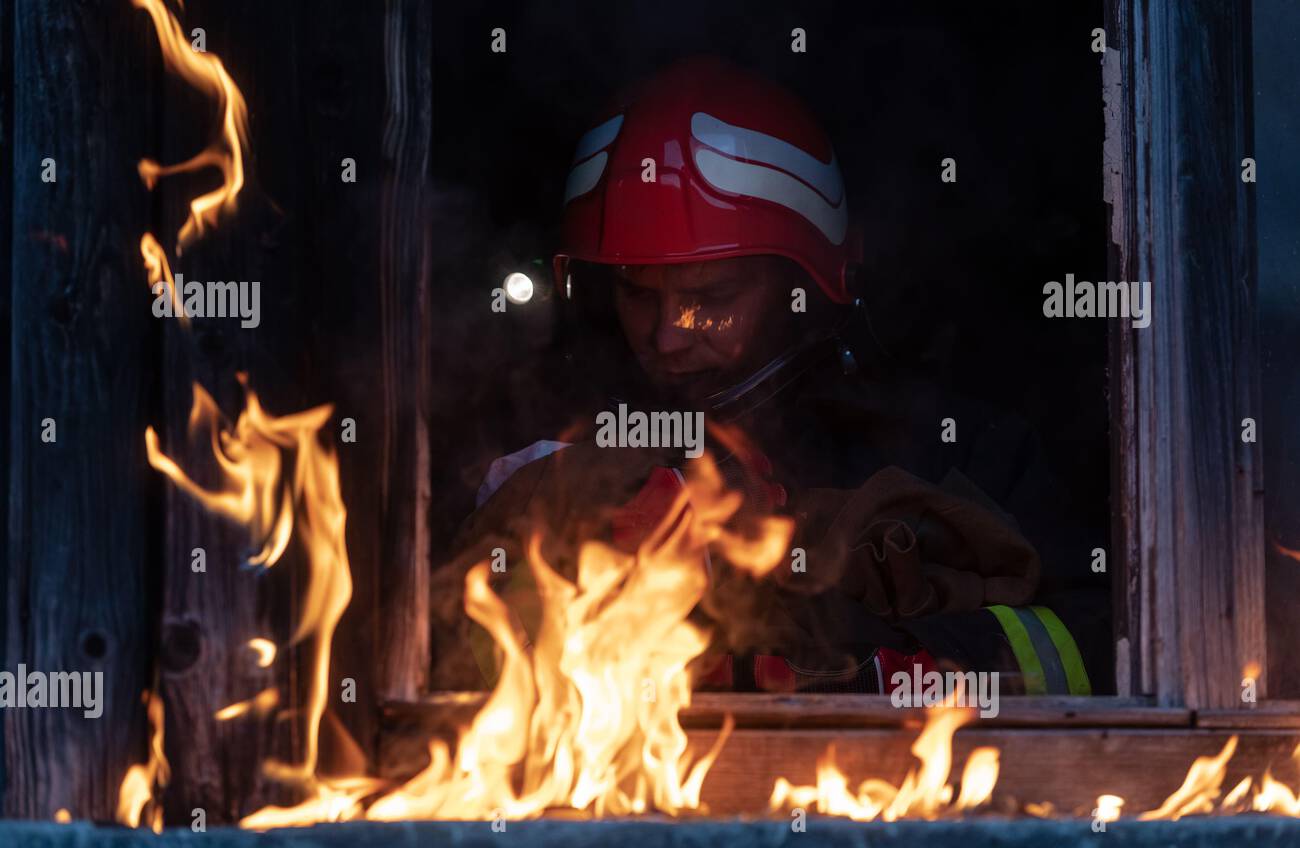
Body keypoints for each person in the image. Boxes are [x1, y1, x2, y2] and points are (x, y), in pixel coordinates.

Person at [436, 56, 1110, 696]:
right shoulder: (557, 446)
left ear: (804, 285)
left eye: (713, 297)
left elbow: (1092, 650)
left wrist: (872, 667)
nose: (668, 334)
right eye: (639, 293)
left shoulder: (962, 449)